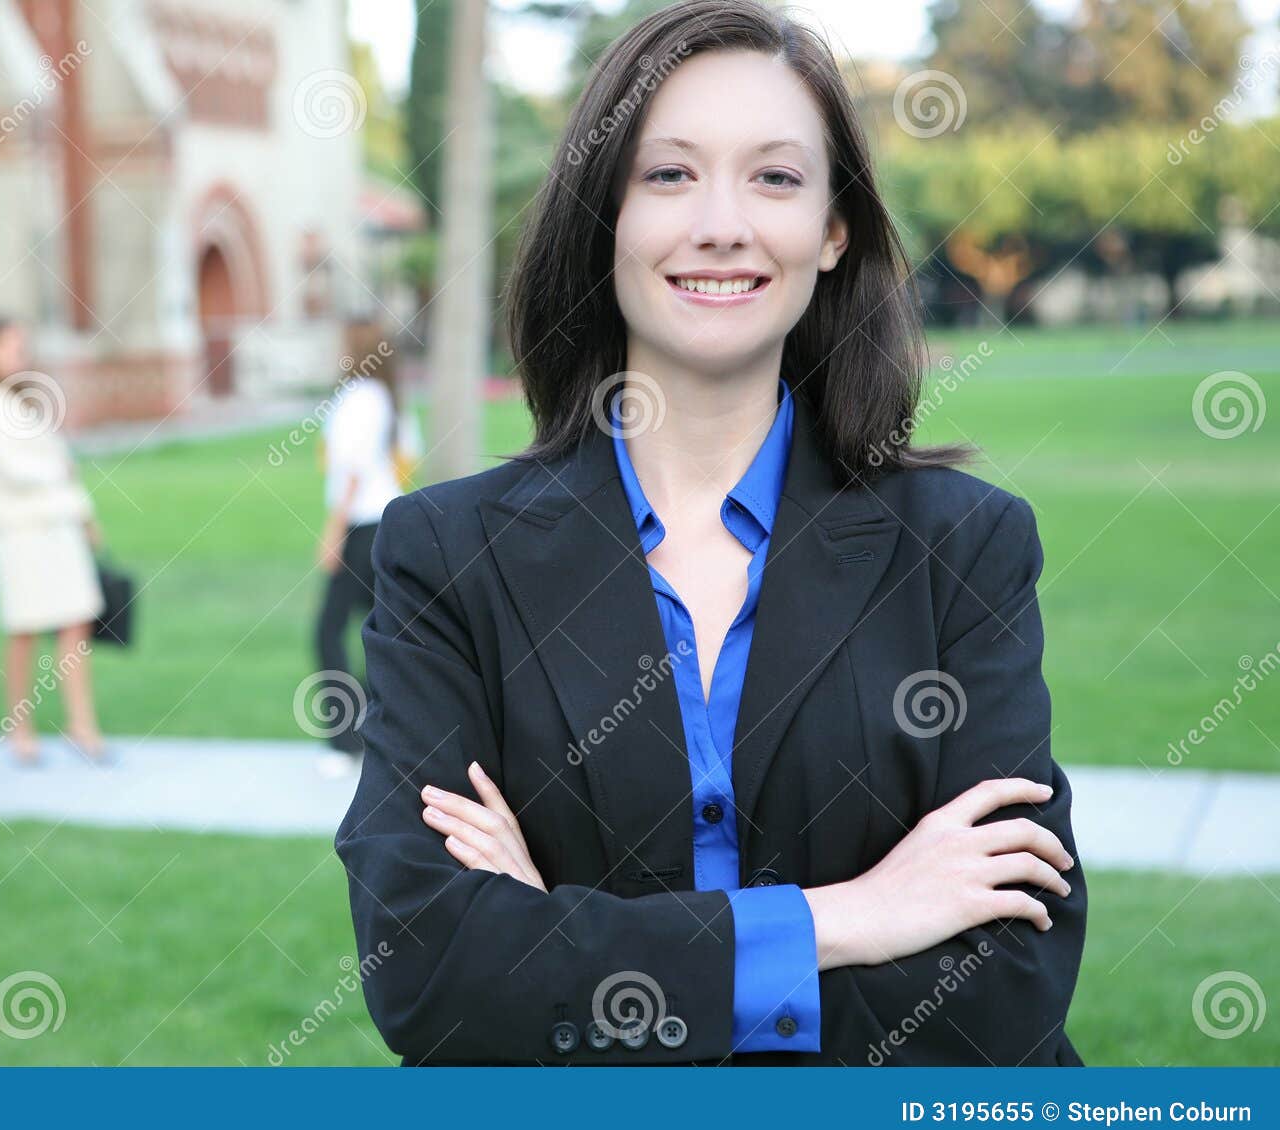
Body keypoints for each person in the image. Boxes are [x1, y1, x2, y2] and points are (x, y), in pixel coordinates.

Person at [335, 0, 1085, 1066]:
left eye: (775, 177)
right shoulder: (446, 555)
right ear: (606, 218)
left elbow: (1005, 994)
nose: (721, 223)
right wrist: (849, 917)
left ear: (833, 229)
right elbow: (427, 971)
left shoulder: (963, 548)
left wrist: (559, 939)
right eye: (668, 174)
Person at [0, 318, 107, 766]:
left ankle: (83, 724)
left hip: (60, 526)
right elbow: (12, 468)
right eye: (6, 346)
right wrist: (56, 477)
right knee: (24, 628)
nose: (16, 355)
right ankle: (20, 728)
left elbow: (64, 462)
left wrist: (84, 514)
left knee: (76, 624)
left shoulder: (26, 403)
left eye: (21, 347)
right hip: (19, 530)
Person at [311, 318, 418, 779]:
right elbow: (408, 457)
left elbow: (351, 470)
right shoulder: (390, 399)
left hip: (360, 526)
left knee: (327, 631)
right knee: (381, 635)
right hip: (389, 523)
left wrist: (332, 532)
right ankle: (386, 734)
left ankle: (344, 740)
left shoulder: (356, 398)